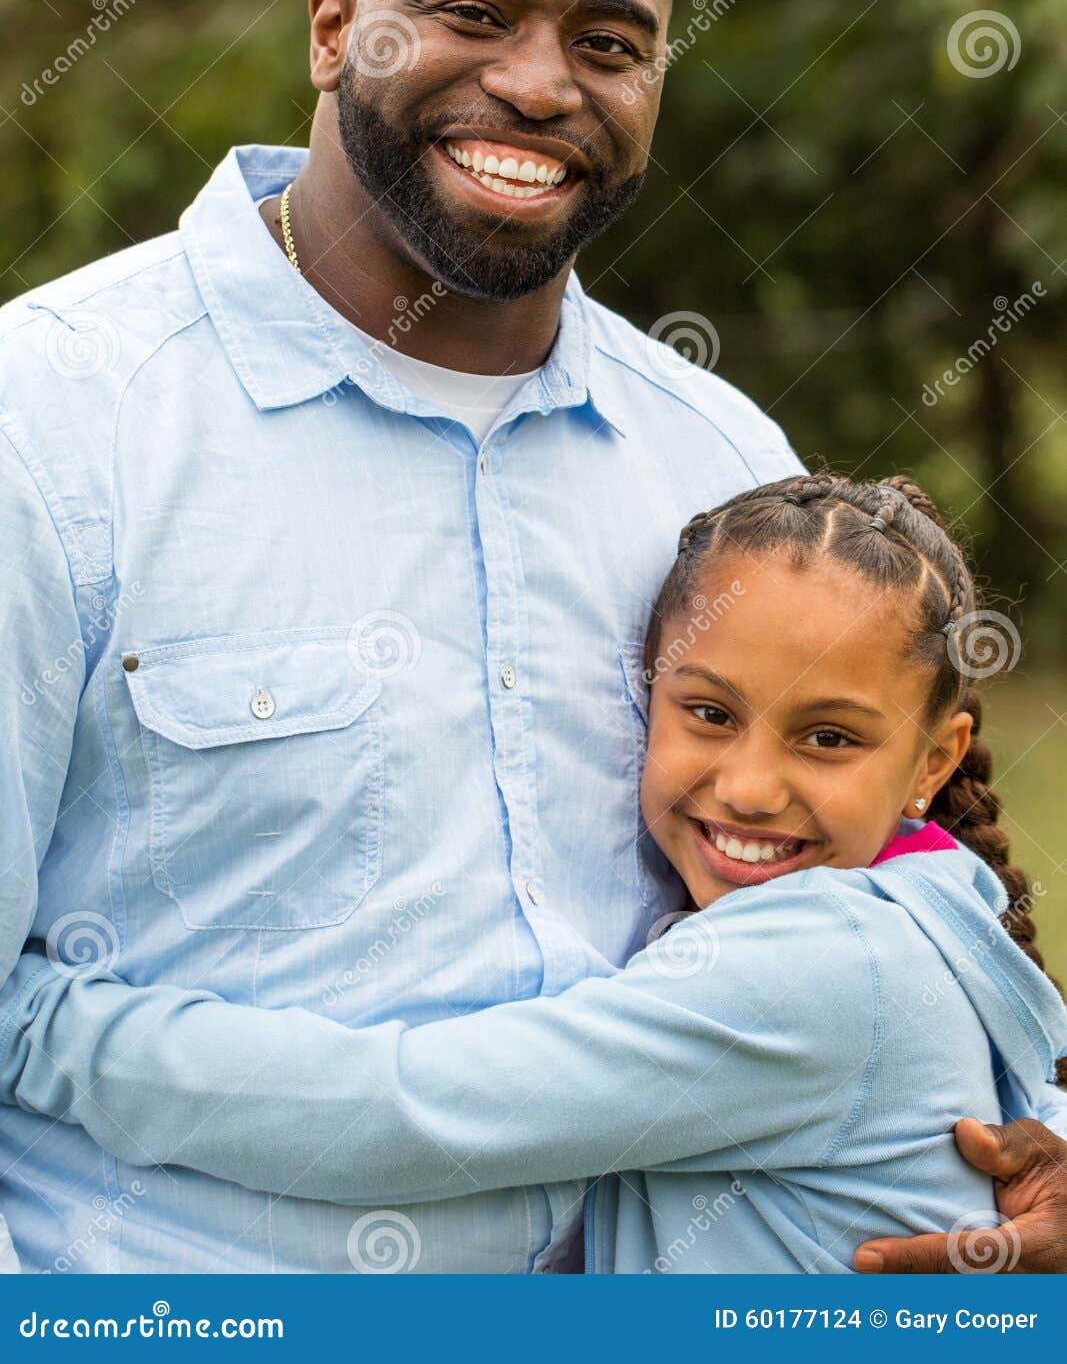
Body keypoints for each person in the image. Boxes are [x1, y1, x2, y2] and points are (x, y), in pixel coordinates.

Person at [1, 0, 1065, 1275]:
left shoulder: (717, 463)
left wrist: (1030, 1132)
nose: (536, 82)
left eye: (608, 44)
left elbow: (877, 903)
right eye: (470, 11)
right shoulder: (48, 421)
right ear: (332, 27)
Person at [6, 474, 1065, 1273]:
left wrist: (40, 1025)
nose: (746, 785)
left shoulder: (820, 966)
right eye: (706, 713)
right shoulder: (921, 908)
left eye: (826, 737)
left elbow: (402, 1112)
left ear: (932, 758)